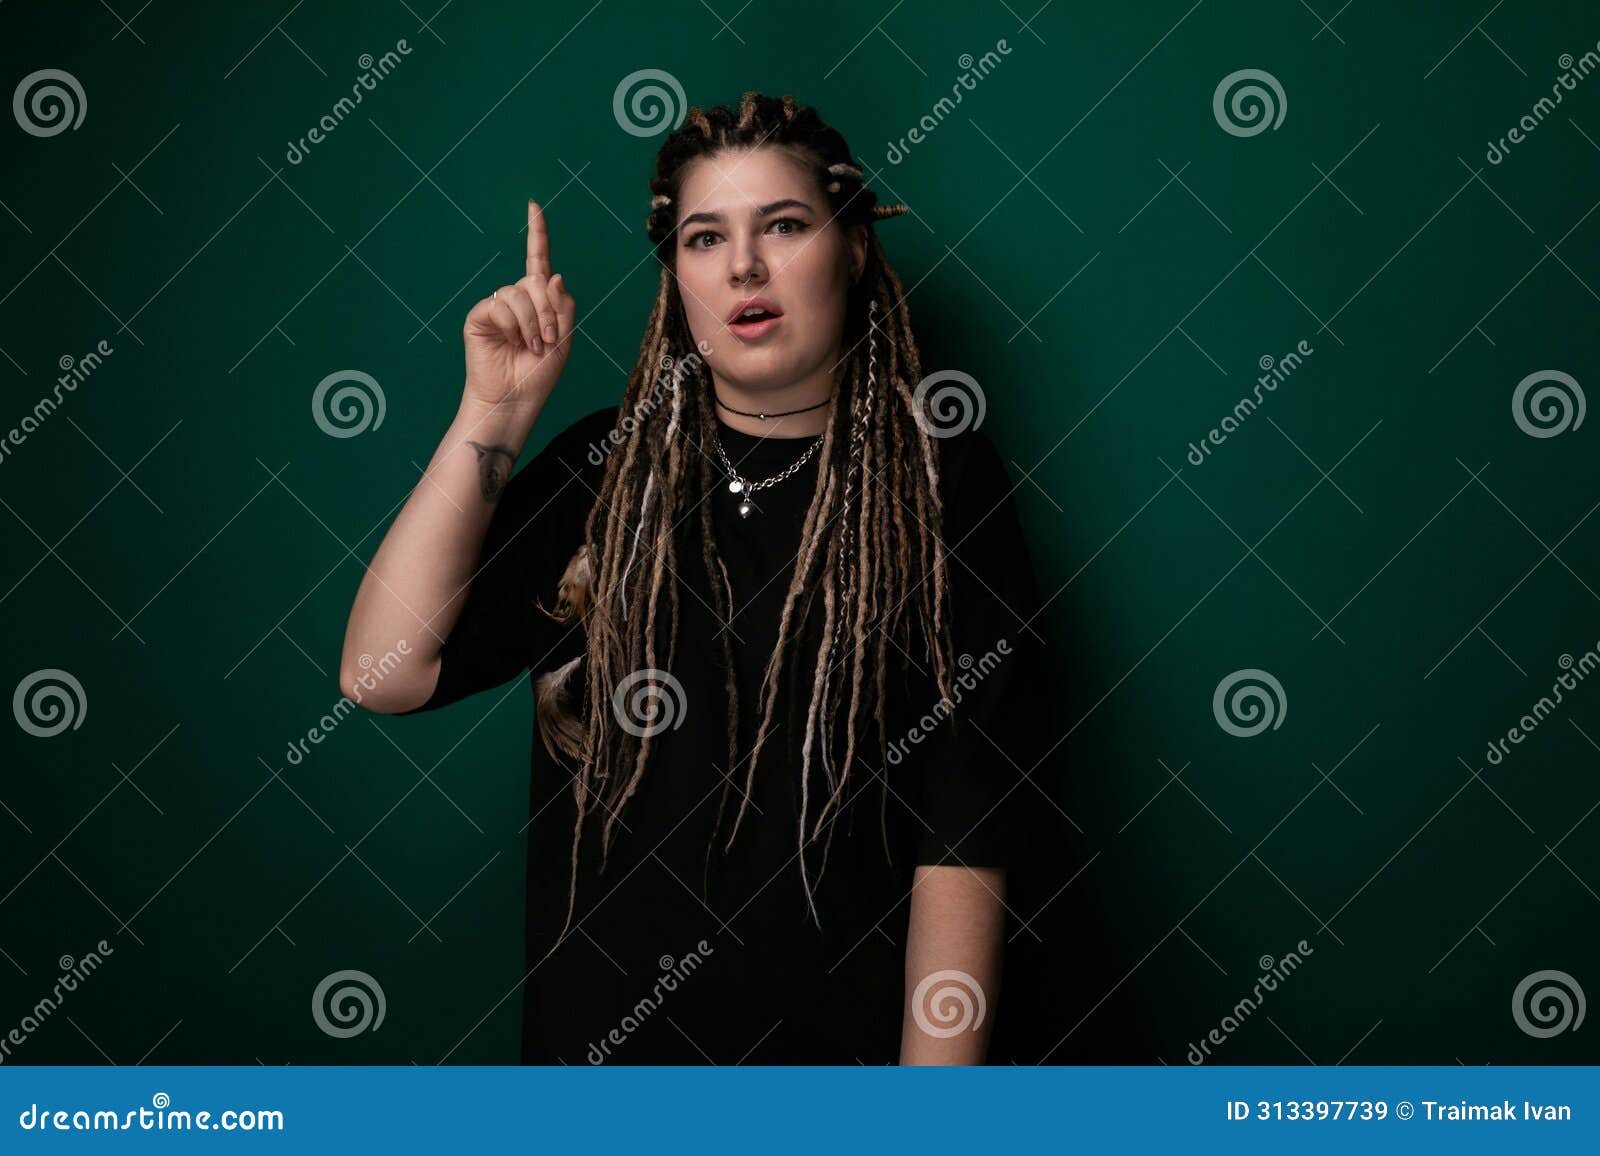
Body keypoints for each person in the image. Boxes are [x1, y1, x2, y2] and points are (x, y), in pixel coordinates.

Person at [340, 91, 1053, 1065]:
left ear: (851, 248)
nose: (744, 265)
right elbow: (382, 673)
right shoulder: (609, 468)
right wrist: (493, 416)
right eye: (705, 238)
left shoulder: (940, 479)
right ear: (675, 273)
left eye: (785, 226)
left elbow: (964, 824)